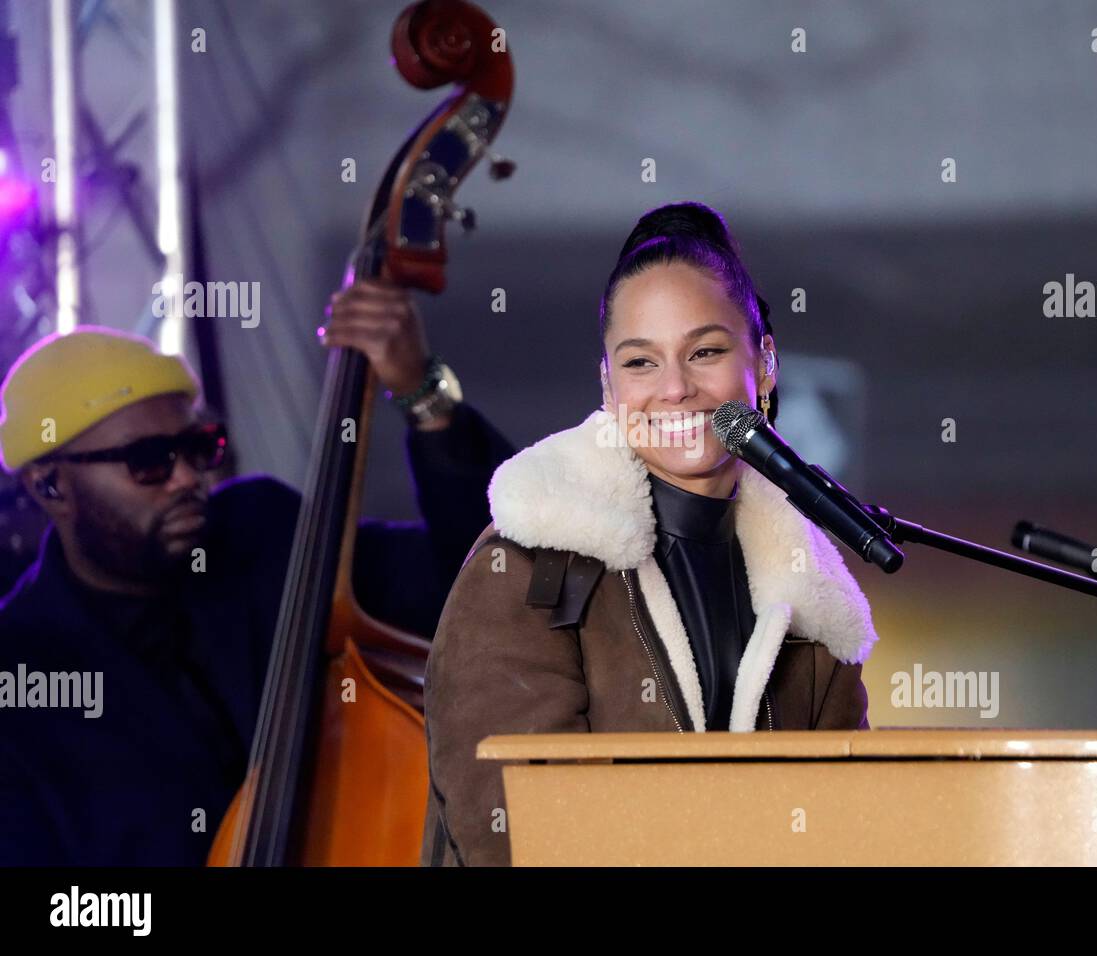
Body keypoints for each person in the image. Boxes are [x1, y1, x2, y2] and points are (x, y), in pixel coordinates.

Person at [423, 202, 877, 867]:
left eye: (706, 351)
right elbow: (517, 832)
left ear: (766, 362)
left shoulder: (814, 603)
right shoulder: (531, 560)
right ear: (608, 382)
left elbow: (853, 831)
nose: (674, 388)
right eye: (640, 362)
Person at [0, 279, 514, 865]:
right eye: (148, 460)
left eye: (200, 446)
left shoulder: (263, 534)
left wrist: (426, 400)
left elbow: (480, 575)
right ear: (50, 486)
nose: (188, 478)